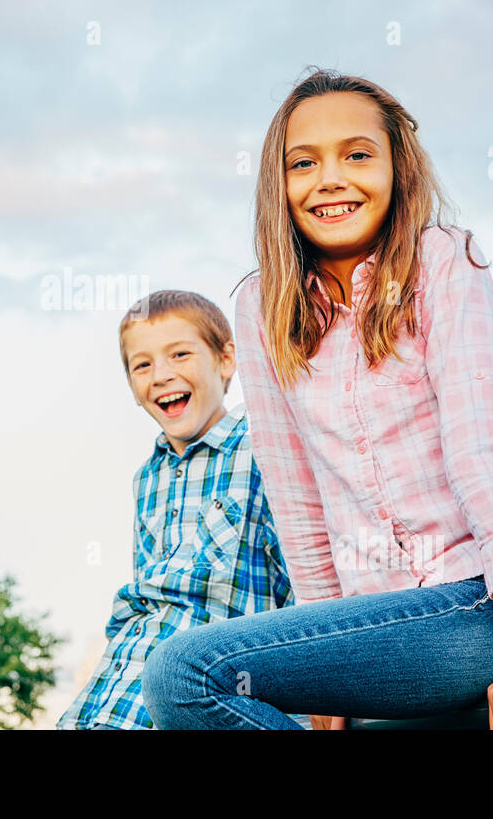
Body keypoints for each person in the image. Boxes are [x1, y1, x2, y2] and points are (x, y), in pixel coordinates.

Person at [140, 67, 493, 730]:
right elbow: (300, 506)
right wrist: (321, 700)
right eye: (304, 162)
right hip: (384, 638)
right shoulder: (261, 308)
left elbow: (482, 451)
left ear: (396, 168)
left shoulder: (443, 261)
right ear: (279, 185)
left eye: (357, 154)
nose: (330, 177)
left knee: (182, 671)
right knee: (189, 687)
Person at [57, 289, 303, 729]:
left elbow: (305, 582)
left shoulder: (261, 448)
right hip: (117, 689)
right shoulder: (146, 478)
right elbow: (147, 595)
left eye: (180, 354)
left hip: (203, 689)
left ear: (226, 360)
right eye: (143, 365)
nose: (161, 375)